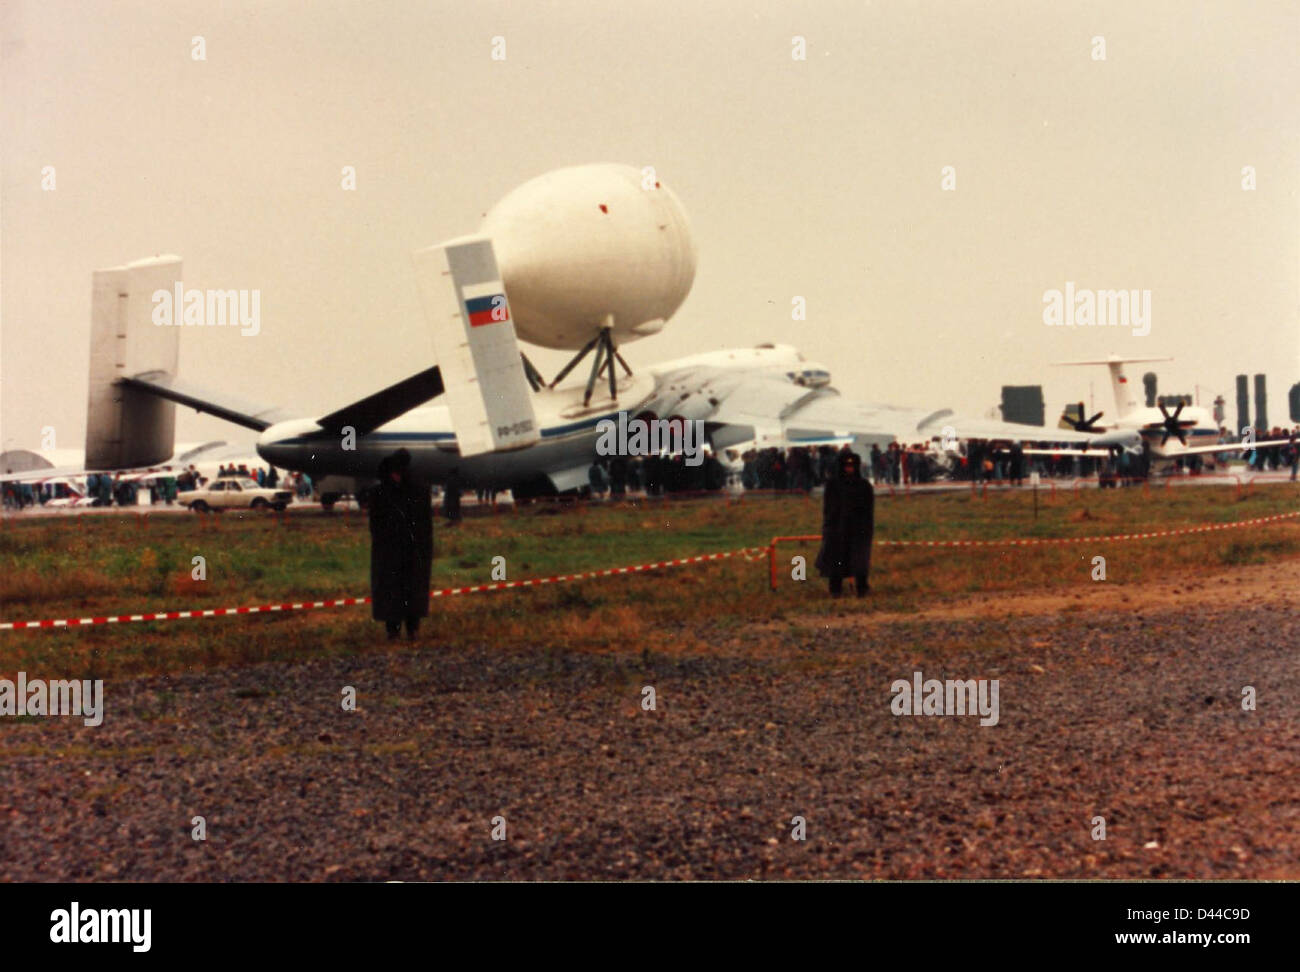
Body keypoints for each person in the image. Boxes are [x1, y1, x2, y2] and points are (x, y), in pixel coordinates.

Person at [366, 449, 433, 641]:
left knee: (411, 591)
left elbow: (425, 525)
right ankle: (393, 630)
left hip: (411, 551)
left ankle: (412, 629)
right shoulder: (380, 494)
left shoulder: (417, 492)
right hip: (390, 552)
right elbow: (375, 525)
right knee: (392, 593)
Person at [816, 450, 874, 597]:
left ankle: (862, 588)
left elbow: (868, 510)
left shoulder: (864, 485)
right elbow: (828, 509)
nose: (849, 469)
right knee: (836, 561)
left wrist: (866, 529)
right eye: (847, 466)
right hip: (837, 529)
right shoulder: (833, 485)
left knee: (859, 561)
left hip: (858, 530)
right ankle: (835, 589)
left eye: (852, 466)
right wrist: (829, 527)